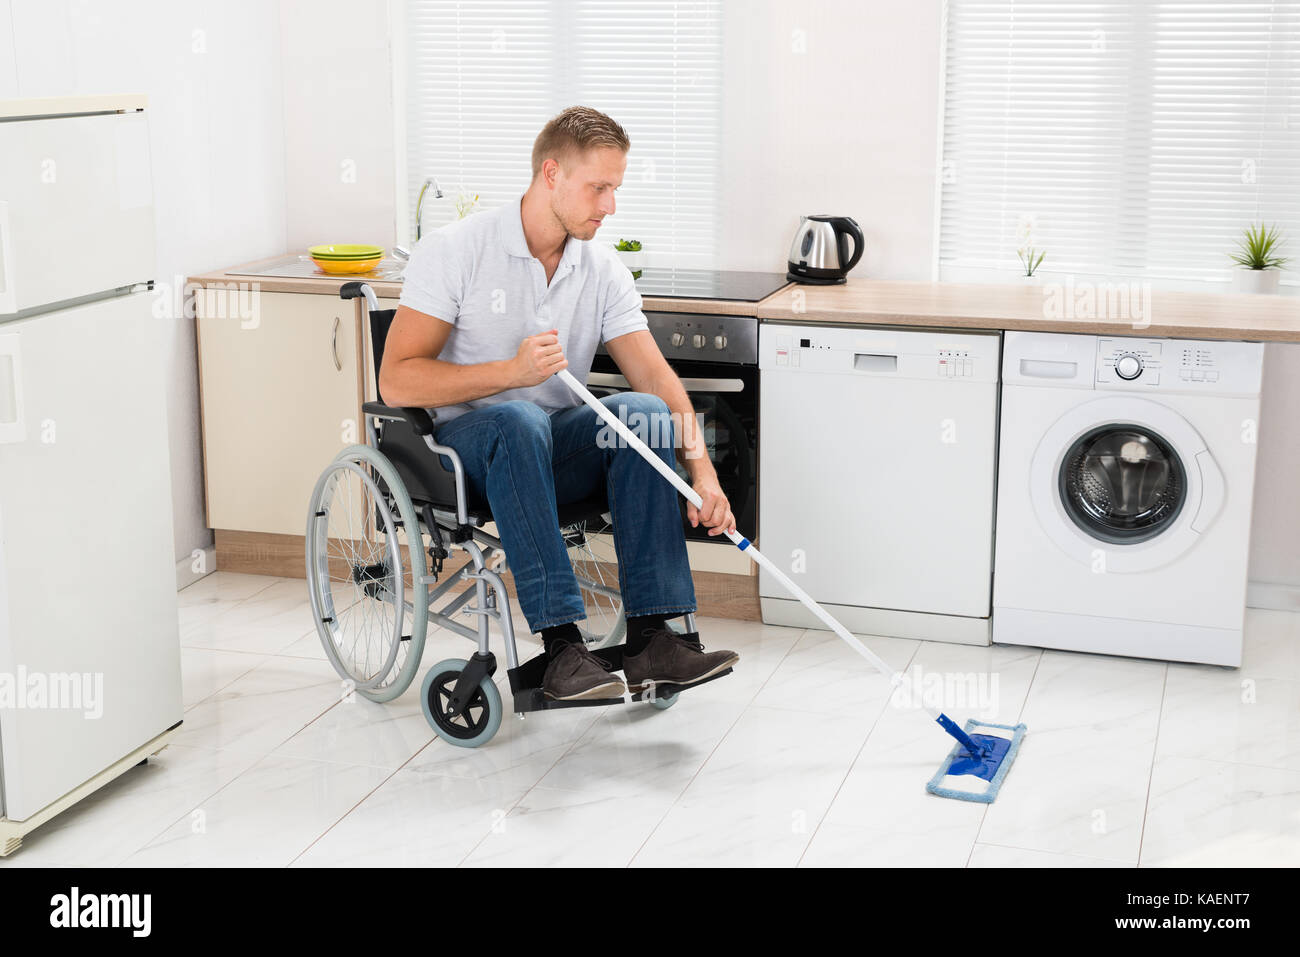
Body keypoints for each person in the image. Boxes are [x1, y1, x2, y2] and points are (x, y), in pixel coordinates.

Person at [379, 106, 740, 701]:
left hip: (552, 450)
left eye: (615, 189)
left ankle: (653, 640)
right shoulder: (456, 251)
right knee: (518, 417)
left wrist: (703, 473)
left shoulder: (599, 269)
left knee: (644, 413)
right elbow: (397, 380)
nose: (609, 206)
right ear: (551, 174)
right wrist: (510, 373)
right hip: (463, 454)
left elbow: (653, 374)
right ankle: (561, 649)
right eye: (598, 188)